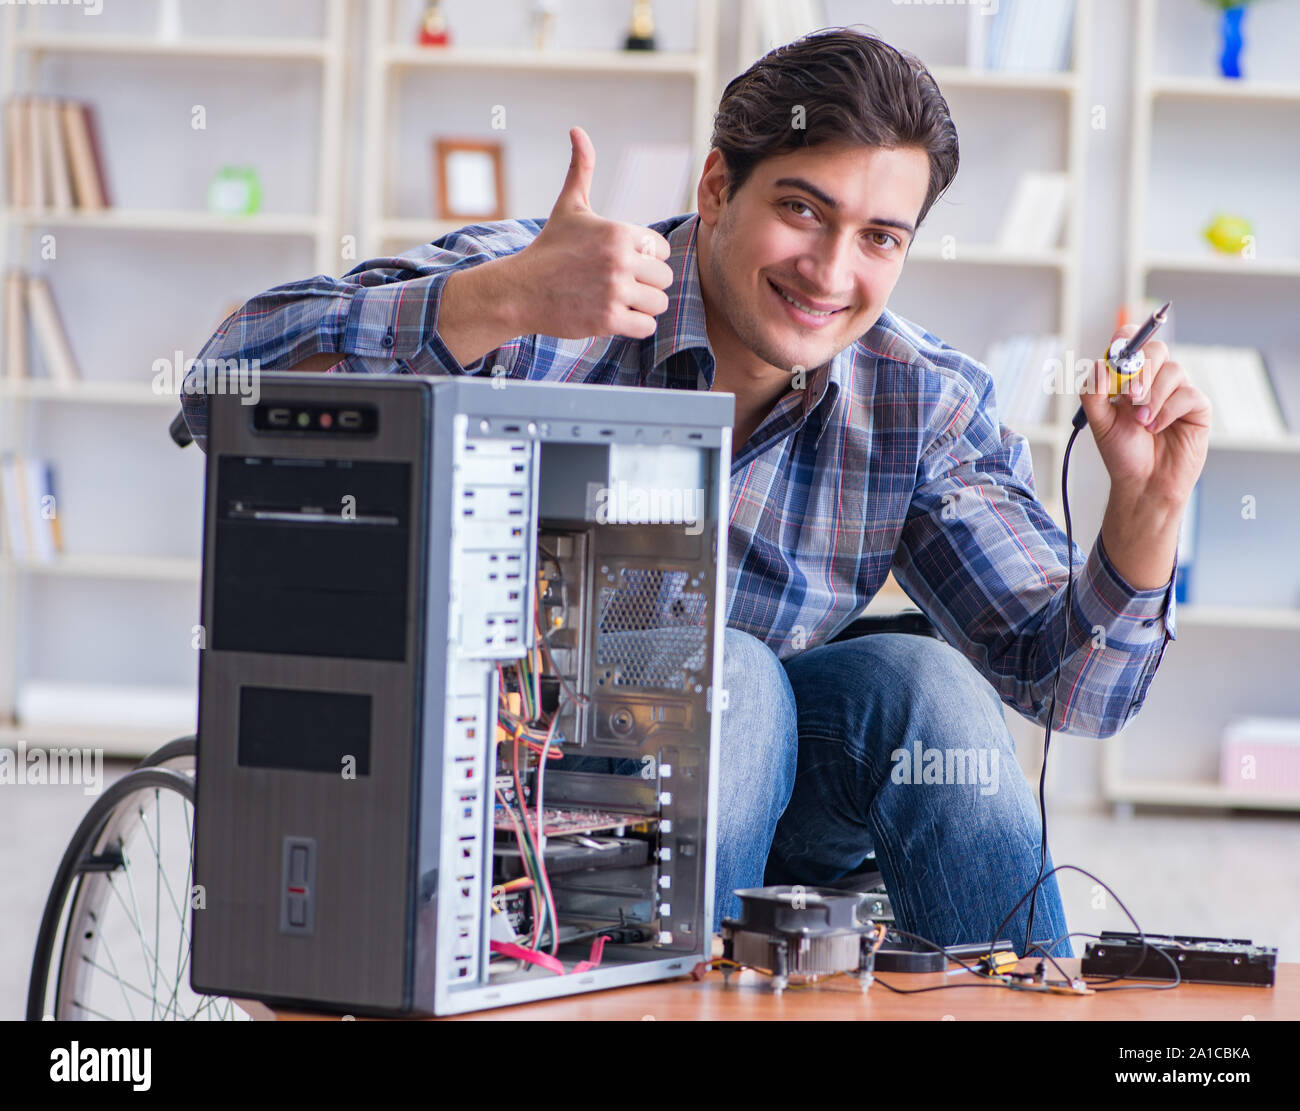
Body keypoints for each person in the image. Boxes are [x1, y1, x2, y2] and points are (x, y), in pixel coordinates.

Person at [180, 29, 1209, 956]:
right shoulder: (547, 287)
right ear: (717, 186)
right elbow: (217, 388)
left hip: (762, 806)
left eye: (879, 238)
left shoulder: (919, 401)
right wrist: (489, 301)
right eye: (802, 210)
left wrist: (1146, 509)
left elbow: (1074, 691)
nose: (830, 271)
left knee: (921, 684)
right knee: (734, 672)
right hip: (503, 793)